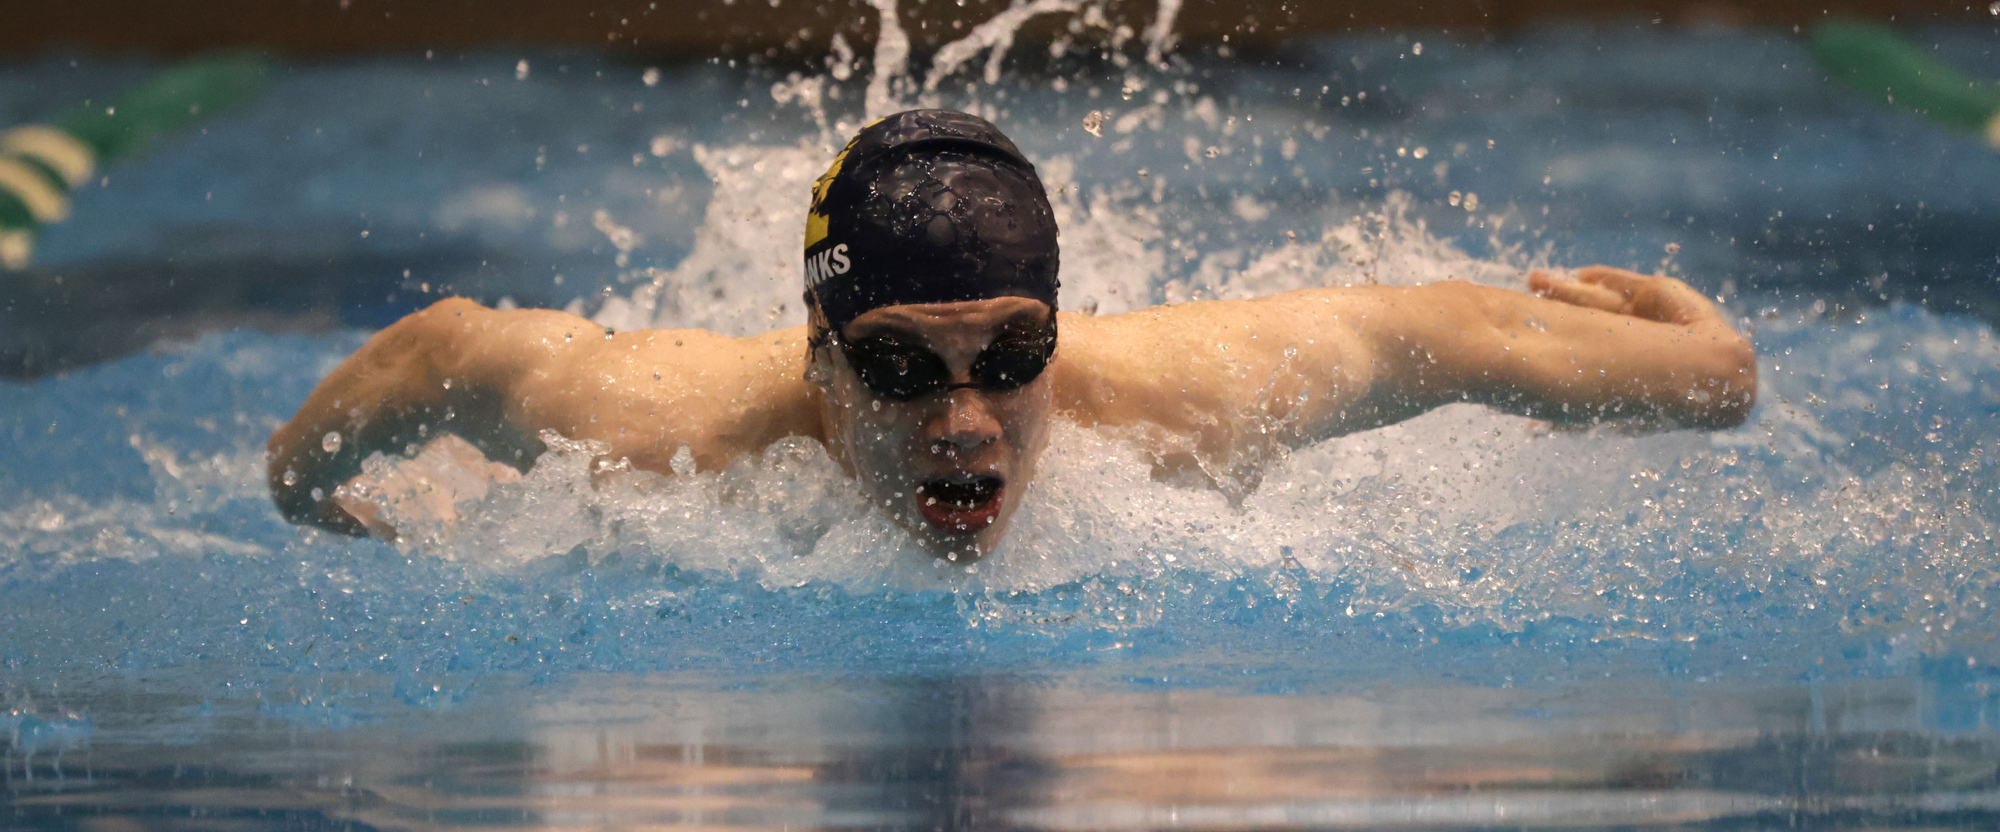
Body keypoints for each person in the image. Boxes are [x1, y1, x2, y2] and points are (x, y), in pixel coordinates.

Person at [268, 109, 1757, 561]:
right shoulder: (667, 432)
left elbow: (1458, 334)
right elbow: (447, 351)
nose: (965, 421)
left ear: (1059, 327)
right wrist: (311, 502)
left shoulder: (1198, 401)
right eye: (901, 369)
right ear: (819, 359)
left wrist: (1701, 355)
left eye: (1010, 355)